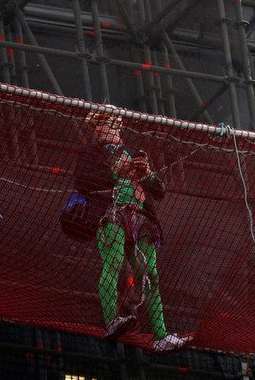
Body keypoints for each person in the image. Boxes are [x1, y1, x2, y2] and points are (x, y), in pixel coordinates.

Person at [76, 109, 190, 352]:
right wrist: (117, 171)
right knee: (113, 265)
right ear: (95, 129)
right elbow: (83, 182)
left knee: (151, 274)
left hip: (140, 219)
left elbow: (159, 190)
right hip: (110, 216)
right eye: (107, 125)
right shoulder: (90, 154)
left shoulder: (129, 155)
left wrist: (146, 173)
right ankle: (111, 321)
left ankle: (160, 336)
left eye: (115, 126)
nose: (113, 130)